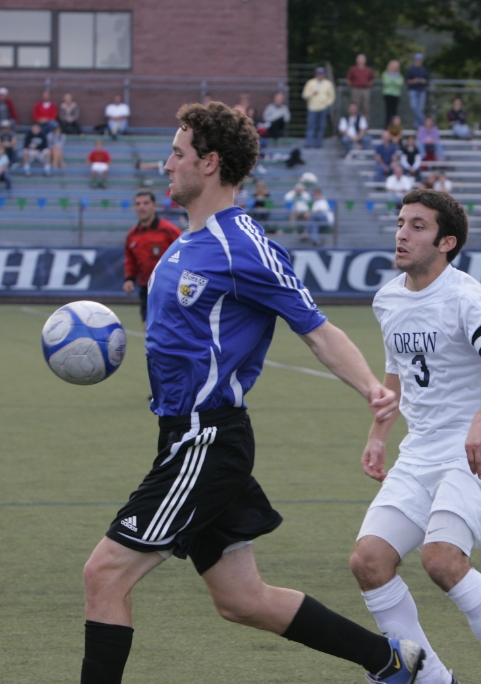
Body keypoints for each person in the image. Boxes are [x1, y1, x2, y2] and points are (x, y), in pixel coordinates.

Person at [78, 99, 424, 684]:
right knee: (242, 599)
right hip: (184, 437)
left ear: (210, 163)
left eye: (177, 154)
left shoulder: (244, 244)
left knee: (104, 574)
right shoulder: (186, 240)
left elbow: (316, 329)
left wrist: (370, 386)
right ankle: (390, 661)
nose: (166, 165)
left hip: (207, 439)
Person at [350, 188, 481, 684]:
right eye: (401, 222)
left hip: (479, 446)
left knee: (441, 559)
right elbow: (398, 373)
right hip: (421, 449)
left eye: (418, 226)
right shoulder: (388, 298)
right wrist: (379, 433)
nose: (402, 233)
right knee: (369, 561)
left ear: (446, 242)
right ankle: (434, 680)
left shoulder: (466, 298)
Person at [123, 190, 182, 329]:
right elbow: (130, 261)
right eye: (138, 204)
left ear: (154, 206)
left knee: (170, 328)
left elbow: (186, 252)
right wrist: (129, 279)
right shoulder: (132, 235)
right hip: (146, 289)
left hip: (169, 288)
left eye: (145, 203)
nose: (141, 207)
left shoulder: (169, 230)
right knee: (148, 328)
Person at [302, 67, 335, 149]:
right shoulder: (310, 83)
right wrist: (312, 93)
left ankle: (318, 144)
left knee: (321, 126)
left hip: (323, 108)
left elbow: (332, 96)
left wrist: (327, 103)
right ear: (316, 74)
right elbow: (304, 95)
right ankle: (309, 143)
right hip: (312, 107)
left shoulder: (328, 84)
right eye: (319, 73)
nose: (320, 75)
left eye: (322, 73)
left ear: (324, 74)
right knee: (311, 126)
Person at [347, 54, 375, 119]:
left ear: (365, 61)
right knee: (355, 107)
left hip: (365, 90)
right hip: (356, 90)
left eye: (362, 59)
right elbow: (348, 79)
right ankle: (355, 123)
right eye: (359, 59)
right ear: (357, 60)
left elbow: (372, 79)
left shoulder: (368, 69)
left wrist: (369, 84)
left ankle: (365, 125)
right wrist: (352, 86)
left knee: (365, 107)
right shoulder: (353, 69)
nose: (361, 61)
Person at [406, 54, 429, 128]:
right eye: (417, 60)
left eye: (420, 60)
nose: (418, 61)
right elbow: (407, 81)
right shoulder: (411, 69)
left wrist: (423, 81)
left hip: (422, 90)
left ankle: (417, 126)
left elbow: (427, 80)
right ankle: (425, 121)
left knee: (420, 109)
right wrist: (414, 81)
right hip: (413, 90)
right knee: (414, 107)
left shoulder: (424, 69)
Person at [382, 60, 404, 125]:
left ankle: (394, 126)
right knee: (388, 111)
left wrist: (392, 80)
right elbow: (386, 82)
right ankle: (387, 126)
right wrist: (395, 80)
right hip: (387, 94)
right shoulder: (385, 74)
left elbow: (400, 83)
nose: (393, 67)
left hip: (396, 95)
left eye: (395, 66)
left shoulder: (399, 75)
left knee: (395, 112)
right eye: (392, 66)